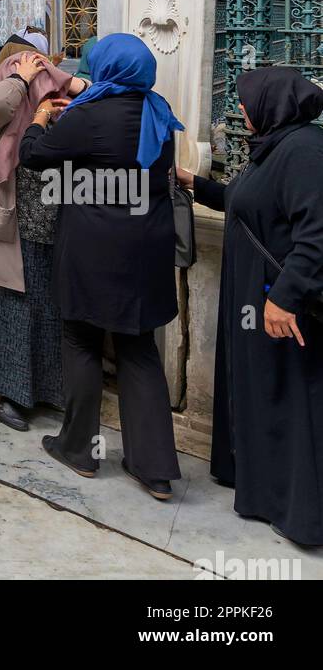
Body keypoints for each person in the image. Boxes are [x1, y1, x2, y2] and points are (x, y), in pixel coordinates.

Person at [19, 32, 183, 500]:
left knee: (82, 339)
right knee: (138, 348)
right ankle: (153, 469)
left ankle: (79, 450)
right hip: (147, 248)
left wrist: (40, 118)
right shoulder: (157, 112)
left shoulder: (90, 116)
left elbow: (34, 157)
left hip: (94, 248)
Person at [178, 66, 323, 546]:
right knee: (260, 391)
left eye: (247, 100)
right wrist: (191, 182)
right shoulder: (275, 147)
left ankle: (296, 511)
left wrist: (284, 299)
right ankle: (262, 491)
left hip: (279, 304)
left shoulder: (304, 151)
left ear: (272, 102)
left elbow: (316, 234)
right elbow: (246, 203)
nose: (241, 108)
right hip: (253, 300)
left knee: (287, 399)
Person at [0, 50, 80, 427]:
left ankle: (39, 388)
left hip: (44, 226)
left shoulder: (52, 114)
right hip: (2, 221)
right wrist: (19, 79)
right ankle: (1, 388)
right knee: (5, 302)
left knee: (42, 302)